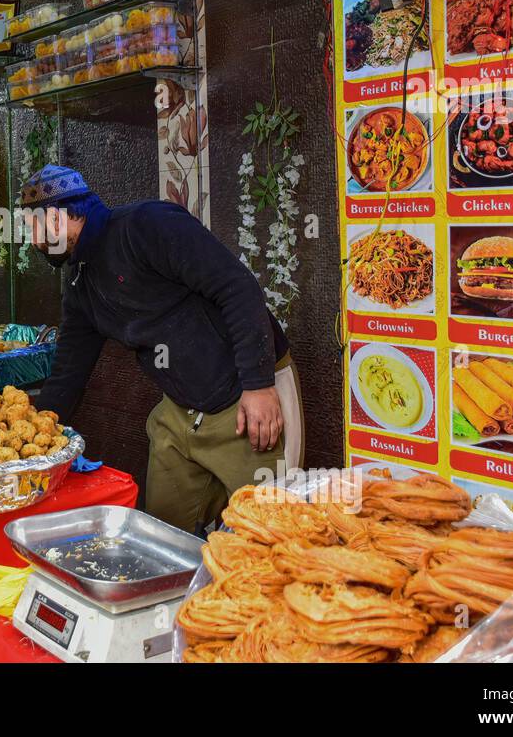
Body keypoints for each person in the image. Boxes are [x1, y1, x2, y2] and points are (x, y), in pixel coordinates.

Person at [23, 165, 304, 535]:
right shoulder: (81, 281)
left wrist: (258, 385)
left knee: (275, 534)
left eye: (33, 228)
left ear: (56, 217)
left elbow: (237, 287)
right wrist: (32, 434)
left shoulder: (147, 225)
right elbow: (70, 367)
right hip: (179, 412)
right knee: (163, 534)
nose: (33, 241)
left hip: (245, 399)